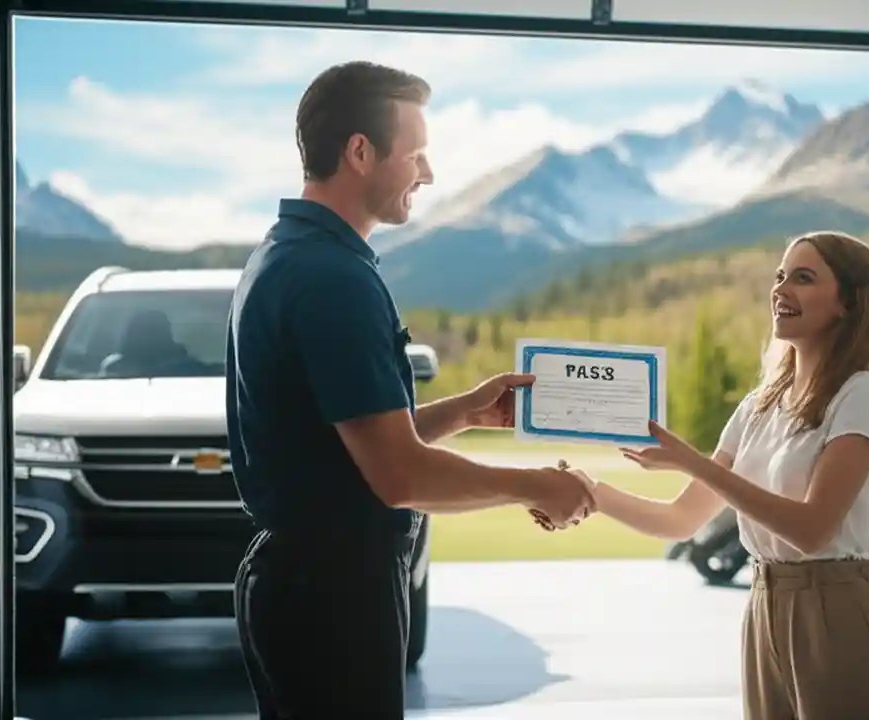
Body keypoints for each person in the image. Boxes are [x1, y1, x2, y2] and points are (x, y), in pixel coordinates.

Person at [226, 61, 595, 719]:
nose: (428, 173)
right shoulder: (332, 279)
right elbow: (397, 476)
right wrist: (537, 485)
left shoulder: (288, 255)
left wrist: (467, 411)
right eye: (417, 154)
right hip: (332, 600)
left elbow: (353, 446)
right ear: (360, 152)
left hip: (305, 587)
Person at [578, 231, 869, 719]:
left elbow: (812, 531)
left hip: (838, 614)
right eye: (779, 276)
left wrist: (693, 461)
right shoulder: (759, 405)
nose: (781, 289)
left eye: (803, 277)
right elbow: (681, 520)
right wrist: (591, 493)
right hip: (763, 612)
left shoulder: (863, 395)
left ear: (848, 303)